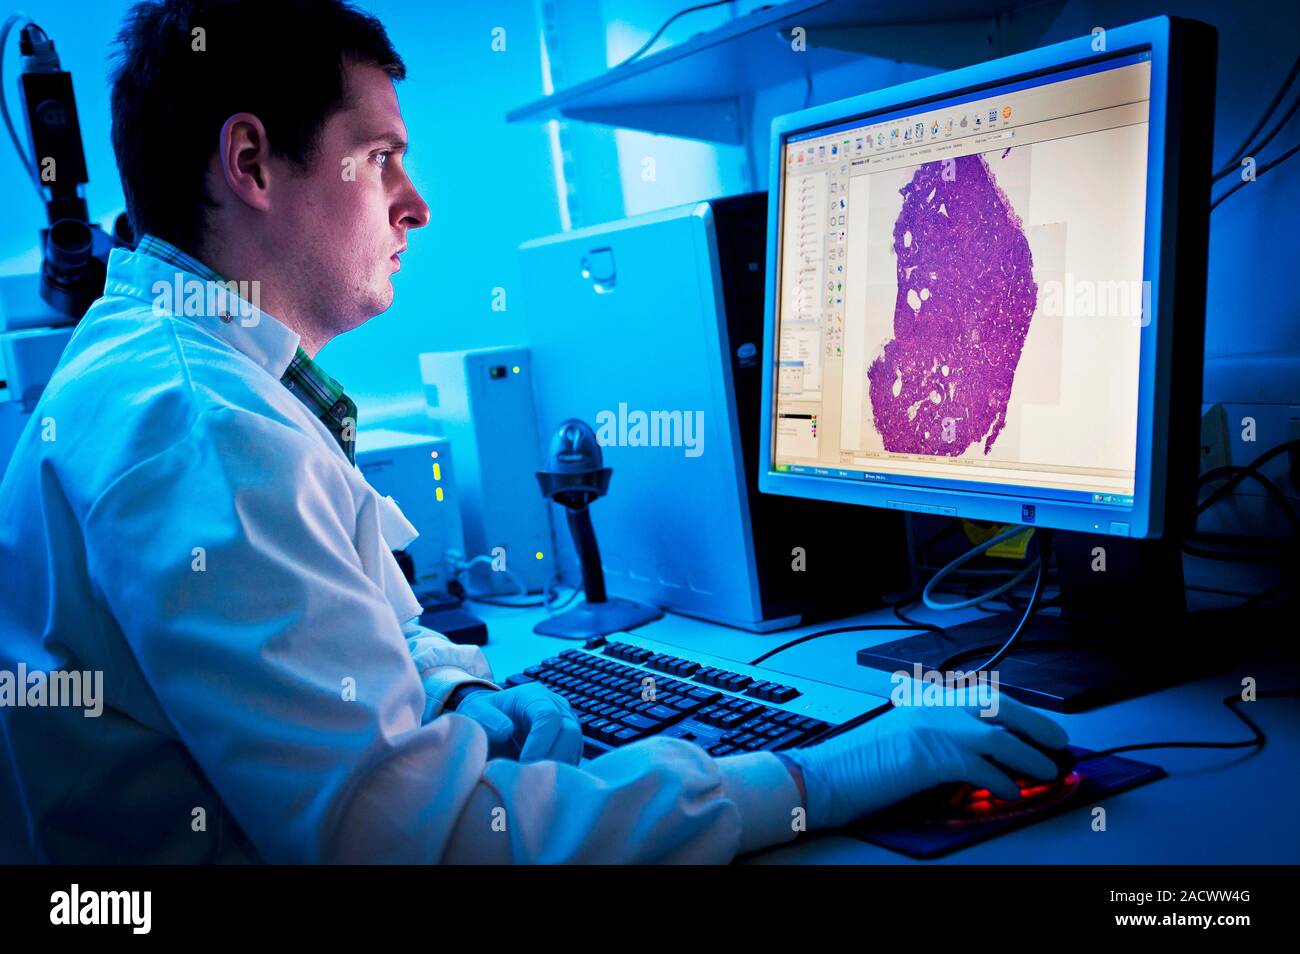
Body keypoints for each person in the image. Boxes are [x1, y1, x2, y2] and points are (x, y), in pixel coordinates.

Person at [0, 0, 1068, 863]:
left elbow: (350, 632)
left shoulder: (174, 369)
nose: (414, 204)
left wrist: (478, 699)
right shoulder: (202, 428)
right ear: (250, 163)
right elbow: (420, 844)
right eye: (378, 158)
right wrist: (818, 779)